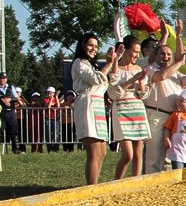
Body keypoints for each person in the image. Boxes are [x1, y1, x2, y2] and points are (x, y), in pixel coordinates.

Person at [141, 20, 186, 173]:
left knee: (170, 154)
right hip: (156, 115)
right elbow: (162, 75)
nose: (165, 57)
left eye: (168, 55)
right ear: (156, 55)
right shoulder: (151, 69)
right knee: (154, 156)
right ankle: (151, 184)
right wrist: (179, 61)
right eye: (162, 54)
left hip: (174, 118)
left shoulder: (176, 74)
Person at [71, 32, 117, 184]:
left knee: (102, 151)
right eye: (90, 45)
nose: (93, 49)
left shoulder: (93, 65)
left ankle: (95, 183)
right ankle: (91, 186)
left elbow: (105, 82)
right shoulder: (79, 63)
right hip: (87, 104)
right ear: (83, 45)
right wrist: (109, 64)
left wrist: (114, 61)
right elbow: (95, 79)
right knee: (94, 151)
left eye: (96, 46)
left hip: (97, 105)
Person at [108, 35, 151, 179]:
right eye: (134, 52)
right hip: (121, 109)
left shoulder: (138, 68)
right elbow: (114, 92)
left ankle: (136, 183)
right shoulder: (116, 69)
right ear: (125, 50)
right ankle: (117, 183)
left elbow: (143, 93)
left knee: (139, 151)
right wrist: (133, 79)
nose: (137, 55)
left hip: (137, 108)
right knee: (127, 154)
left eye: (138, 52)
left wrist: (140, 83)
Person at [0, 72, 20, 154]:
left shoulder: (11, 87)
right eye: (1, 78)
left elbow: (16, 98)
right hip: (0, 112)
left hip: (11, 111)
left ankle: (15, 149)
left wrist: (10, 101)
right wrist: (1, 99)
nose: (3, 79)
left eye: (4, 78)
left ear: (6, 79)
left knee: (14, 130)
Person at [43, 87, 60, 152]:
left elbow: (58, 106)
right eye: (47, 92)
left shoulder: (55, 99)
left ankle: (56, 149)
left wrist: (56, 97)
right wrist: (51, 99)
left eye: (50, 93)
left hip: (55, 118)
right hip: (48, 118)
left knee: (56, 134)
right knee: (48, 134)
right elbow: (48, 106)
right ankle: (49, 149)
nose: (48, 94)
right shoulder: (45, 100)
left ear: (53, 93)